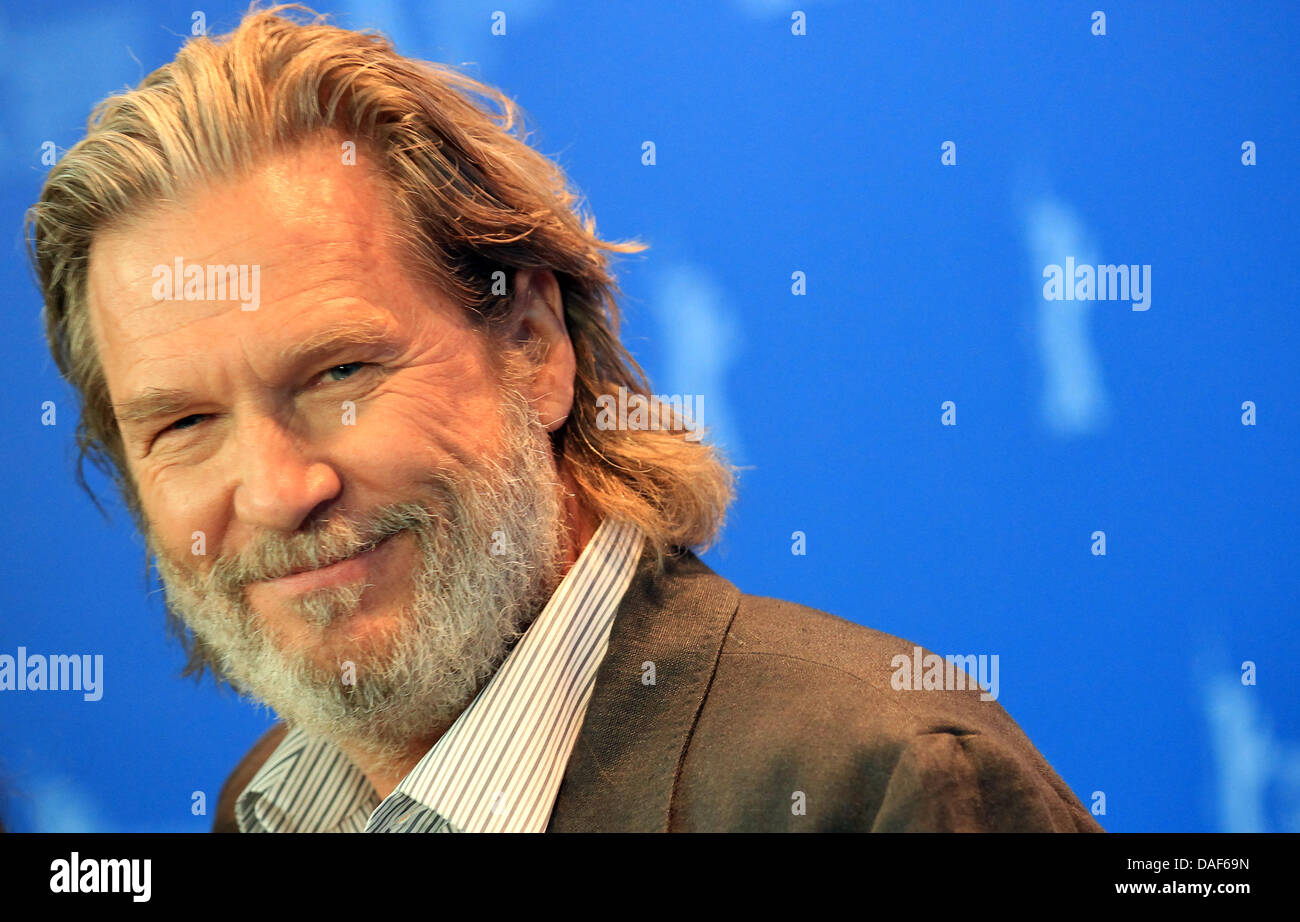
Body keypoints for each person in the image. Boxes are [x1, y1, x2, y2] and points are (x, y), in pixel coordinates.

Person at [27, 5, 1102, 833]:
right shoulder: (263, 805)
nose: (273, 489)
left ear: (534, 347)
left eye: (340, 372)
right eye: (182, 424)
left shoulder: (878, 782)